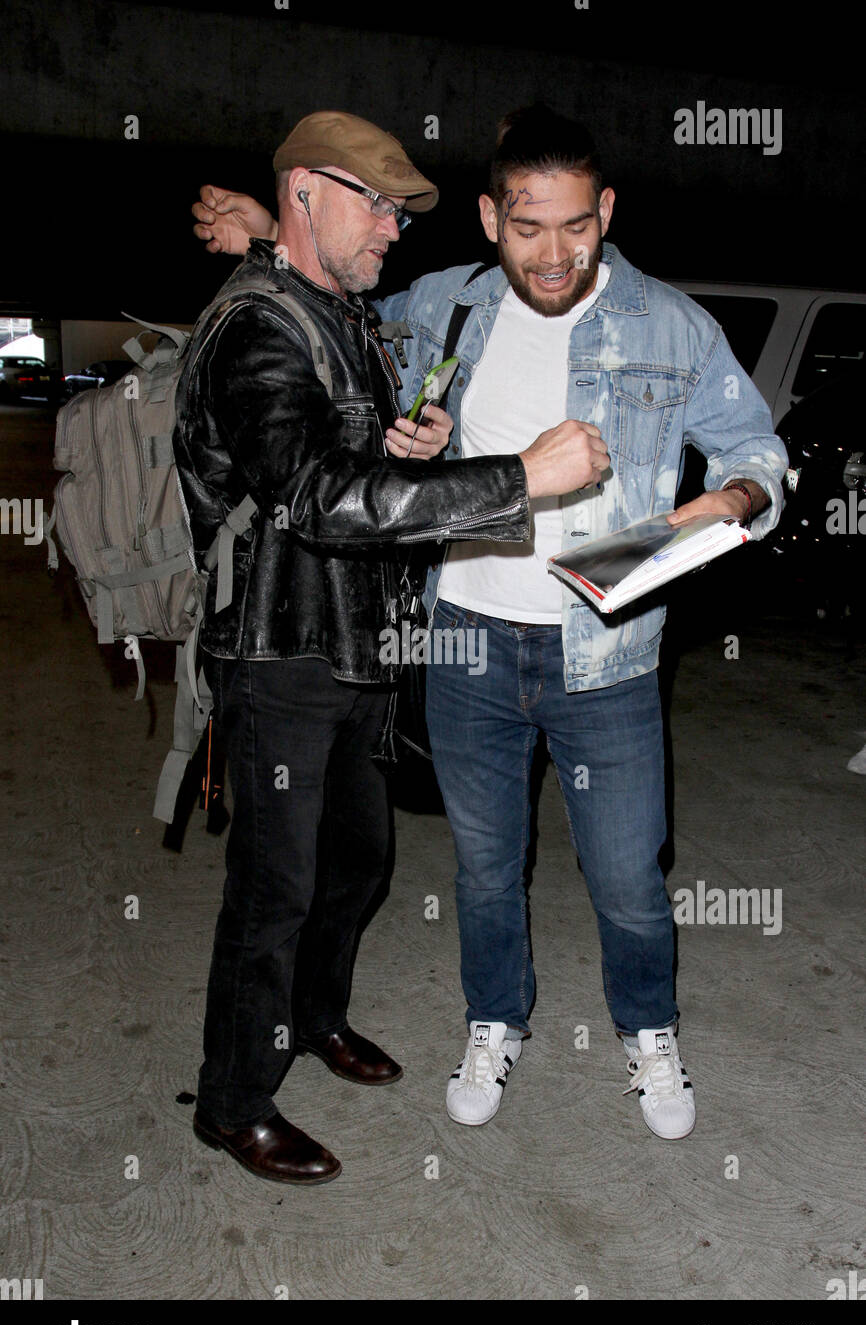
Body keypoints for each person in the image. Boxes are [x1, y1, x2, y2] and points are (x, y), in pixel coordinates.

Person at [191, 104, 788, 1144]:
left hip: (603, 655)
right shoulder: (444, 306)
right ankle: (492, 1019)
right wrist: (262, 234)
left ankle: (646, 1030)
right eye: (525, 228)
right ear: (486, 219)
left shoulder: (670, 327)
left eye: (573, 226)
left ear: (603, 212)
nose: (551, 253)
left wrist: (727, 503)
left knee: (626, 880)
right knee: (479, 869)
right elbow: (333, 300)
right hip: (461, 639)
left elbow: (755, 453)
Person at [176, 109, 604, 1186]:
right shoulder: (258, 328)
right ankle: (232, 1099)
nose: (391, 228)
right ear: (306, 194)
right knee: (272, 890)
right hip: (280, 655)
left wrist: (404, 443)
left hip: (357, 649)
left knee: (355, 865)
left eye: (400, 209)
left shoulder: (339, 311)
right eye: (373, 203)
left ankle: (311, 1020)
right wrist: (516, 482)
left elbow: (349, 456)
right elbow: (314, 495)